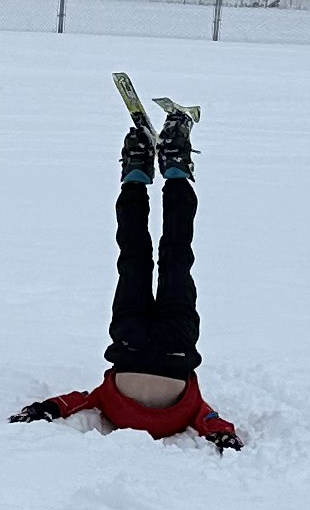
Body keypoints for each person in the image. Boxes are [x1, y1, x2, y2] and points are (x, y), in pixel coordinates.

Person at [12, 97, 243, 450]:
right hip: (130, 343)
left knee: (175, 255)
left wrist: (224, 434)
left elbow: (208, 419)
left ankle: (173, 166)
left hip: (175, 351)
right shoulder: (114, 407)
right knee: (134, 257)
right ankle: (135, 172)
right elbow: (77, 401)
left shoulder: (181, 414)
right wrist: (45, 408)